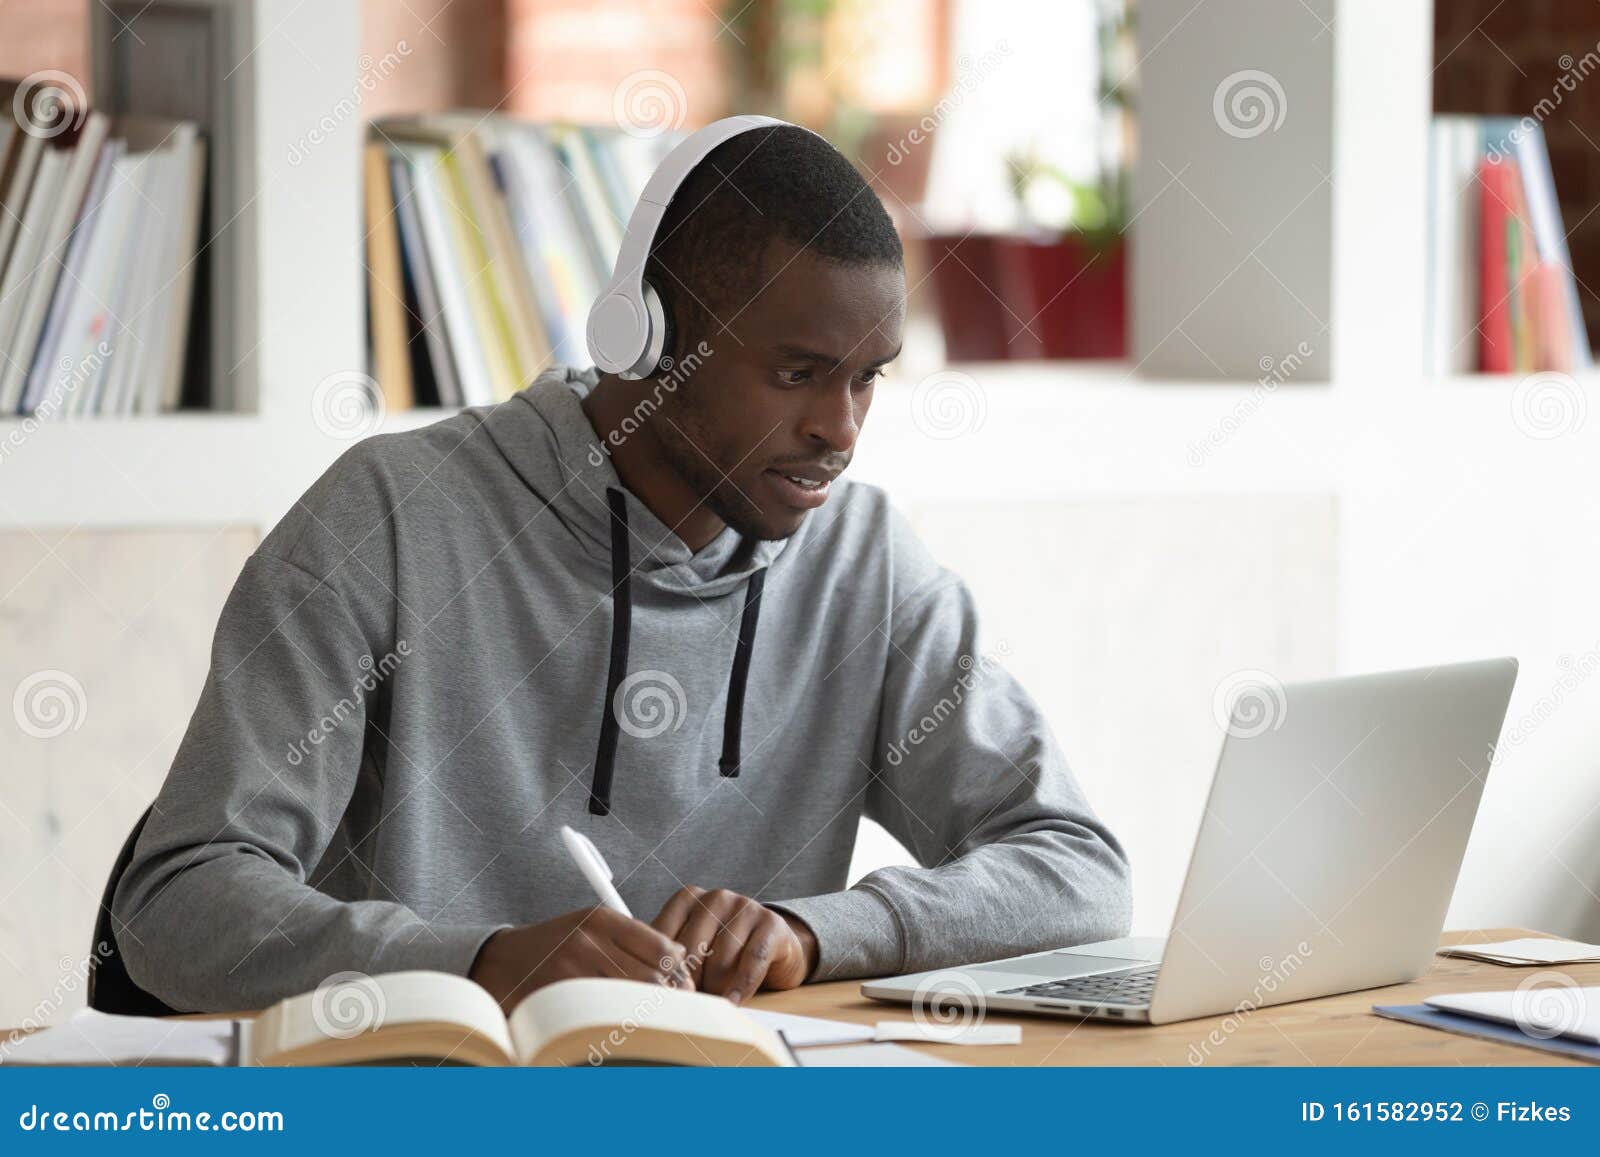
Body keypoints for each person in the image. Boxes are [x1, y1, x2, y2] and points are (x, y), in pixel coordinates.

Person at [114, 124, 1131, 1014]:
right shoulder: (386, 518)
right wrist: (477, 962)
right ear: (646, 337)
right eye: (797, 373)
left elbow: (1077, 867)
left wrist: (811, 931)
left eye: (868, 377)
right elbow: (179, 898)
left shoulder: (863, 565)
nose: (839, 428)